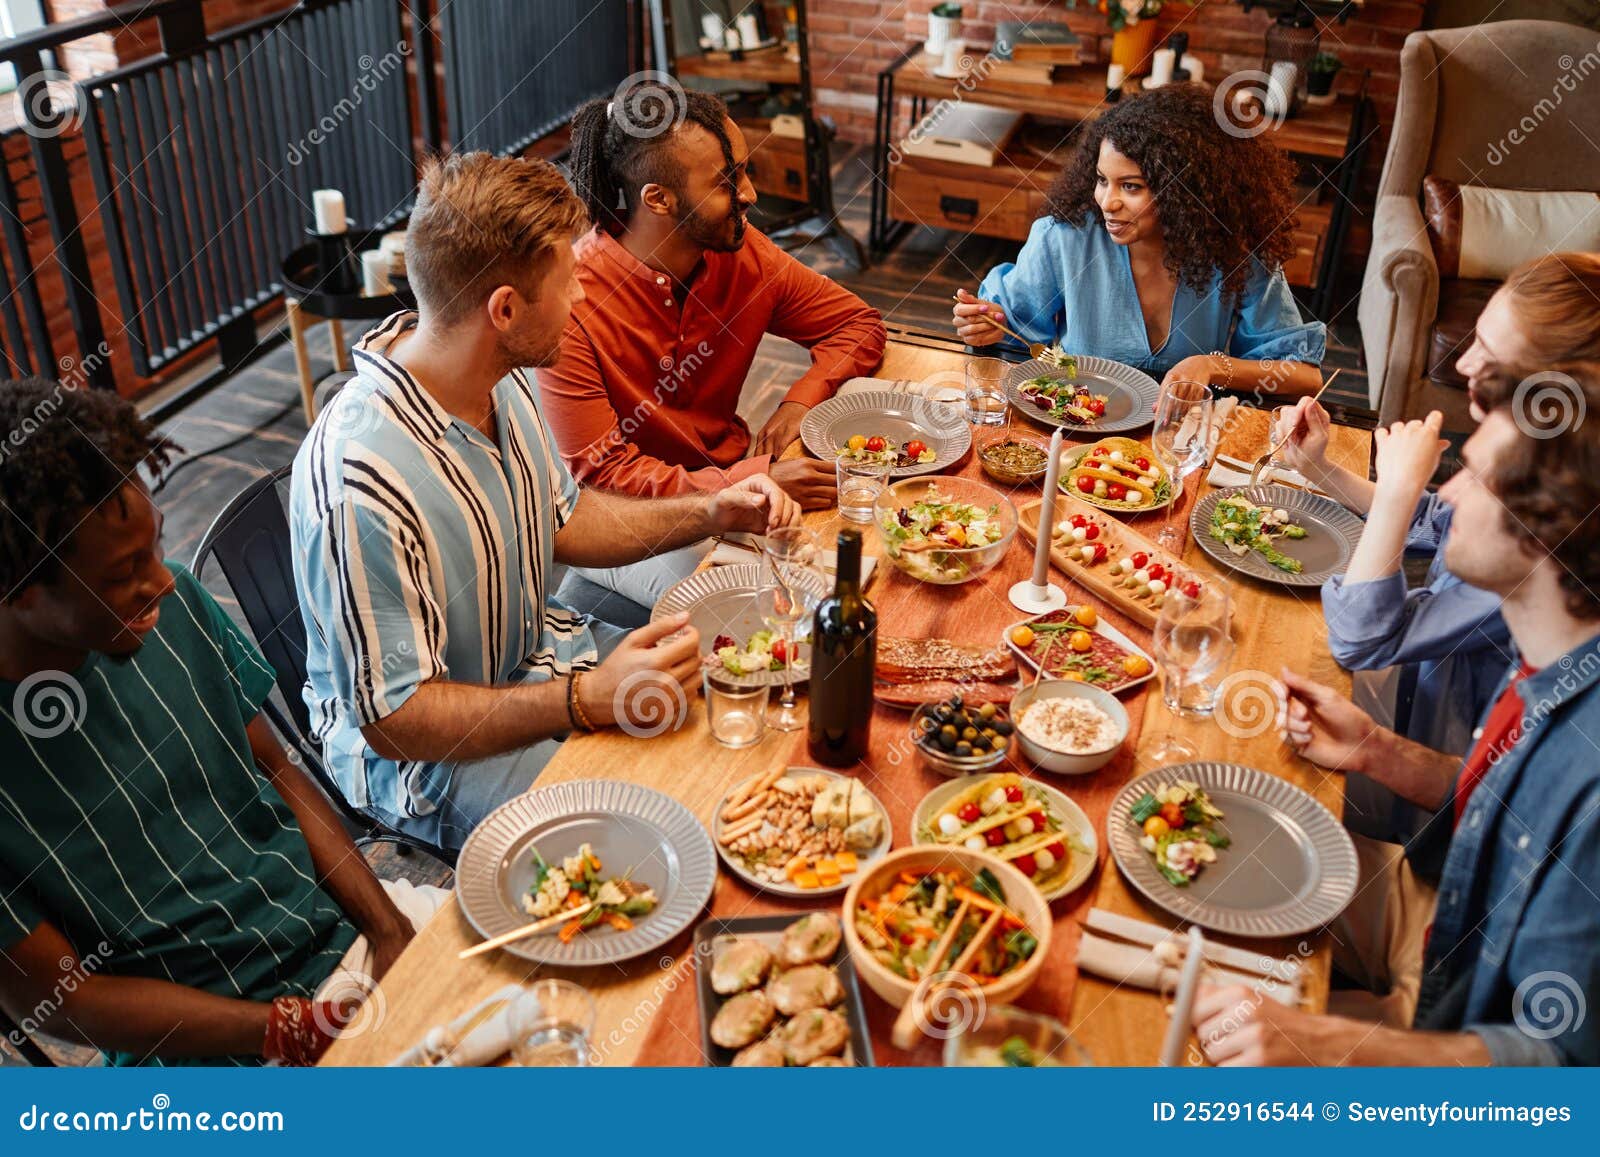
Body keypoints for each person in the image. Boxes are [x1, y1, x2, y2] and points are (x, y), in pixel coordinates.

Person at [291, 152, 801, 854]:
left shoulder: (499, 375)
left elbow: (563, 519)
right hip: (433, 763)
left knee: (751, 686)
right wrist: (587, 700)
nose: (582, 300)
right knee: (657, 832)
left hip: (543, 659)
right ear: (504, 309)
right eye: (568, 285)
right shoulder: (360, 481)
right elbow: (395, 718)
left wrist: (712, 509)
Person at [0, 380, 440, 1067]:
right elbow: (74, 1002)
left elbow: (281, 774)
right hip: (203, 1054)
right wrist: (295, 1029)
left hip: (336, 947)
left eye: (153, 547)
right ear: (24, 593)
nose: (165, 581)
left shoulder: (175, 615)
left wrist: (386, 930)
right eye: (124, 573)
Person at [1193, 363, 1600, 1066]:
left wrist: (1331, 1041)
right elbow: (1508, 812)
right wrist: (1377, 749)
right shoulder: (1545, 662)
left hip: (1457, 1025)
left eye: (1472, 474)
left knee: (1187, 1043)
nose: (1448, 493)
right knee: (1202, 840)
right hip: (1441, 911)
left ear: (1540, 527)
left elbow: (1562, 1068)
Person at [1282, 254, 1600, 853]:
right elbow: (1446, 520)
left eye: (1491, 354)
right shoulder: (1546, 485)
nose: (1462, 364)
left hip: (1433, 794)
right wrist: (1325, 471)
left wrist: (1400, 489)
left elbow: (1361, 636)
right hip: (1418, 713)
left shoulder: (1546, 555)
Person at [536, 81, 886, 607]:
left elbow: (858, 325)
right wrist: (754, 476)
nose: (750, 194)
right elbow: (606, 479)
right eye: (728, 179)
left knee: (864, 554)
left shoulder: (742, 254)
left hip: (733, 488)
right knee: (781, 606)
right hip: (622, 524)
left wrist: (799, 401)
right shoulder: (571, 306)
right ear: (658, 199)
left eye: (743, 170)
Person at [953, 84, 1325, 395]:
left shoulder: (1234, 251)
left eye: (1131, 187)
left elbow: (1304, 375)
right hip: (1075, 427)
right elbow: (1010, 335)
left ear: (1185, 191)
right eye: (1101, 180)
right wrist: (986, 327)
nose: (1106, 202)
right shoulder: (1064, 237)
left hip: (1178, 438)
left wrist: (1212, 366)